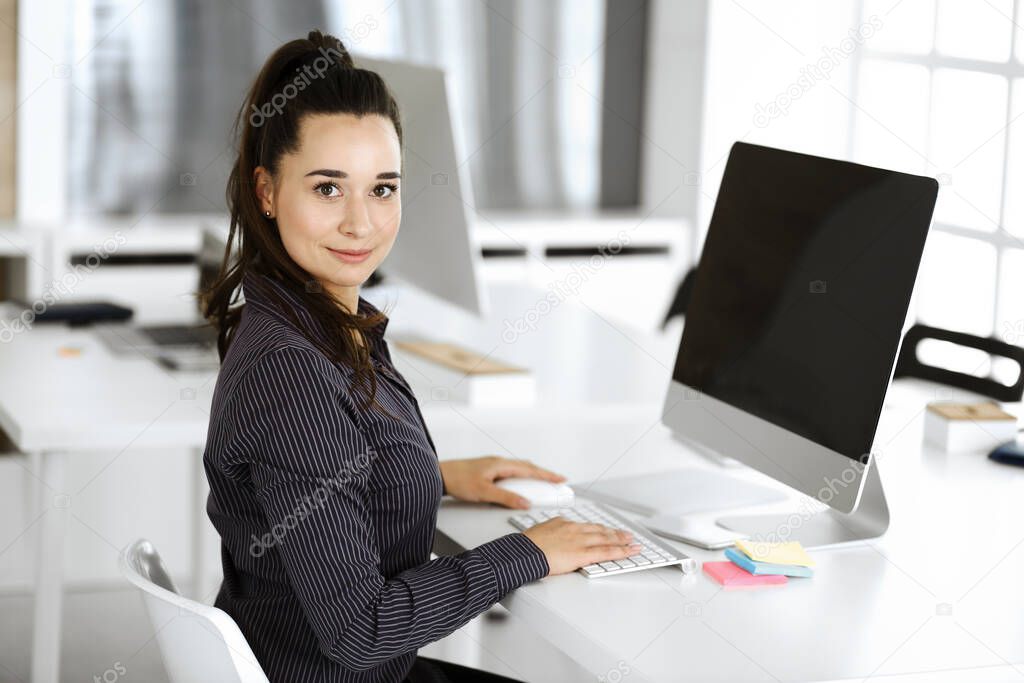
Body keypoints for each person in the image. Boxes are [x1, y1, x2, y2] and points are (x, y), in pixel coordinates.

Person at [201, 30, 641, 683]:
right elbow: (360, 631)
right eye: (328, 189)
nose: (361, 223)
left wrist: (433, 475)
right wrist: (529, 552)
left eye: (382, 188)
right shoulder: (293, 372)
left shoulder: (315, 321)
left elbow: (316, 475)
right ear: (266, 191)